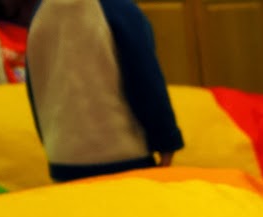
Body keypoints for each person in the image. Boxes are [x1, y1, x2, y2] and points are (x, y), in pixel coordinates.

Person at [24, 0, 183, 182]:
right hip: (123, 155)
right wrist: (166, 139)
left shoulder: (40, 12)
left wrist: (50, 142)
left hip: (62, 157)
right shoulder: (117, 8)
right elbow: (145, 78)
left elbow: (36, 87)